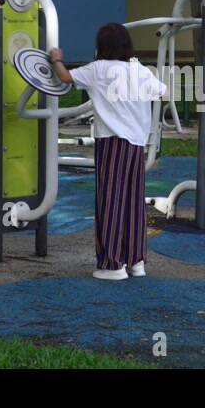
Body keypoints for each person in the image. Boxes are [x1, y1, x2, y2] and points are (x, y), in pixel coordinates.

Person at [49, 23, 167, 280]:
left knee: (110, 201)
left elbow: (66, 77)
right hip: (137, 143)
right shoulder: (140, 71)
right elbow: (162, 91)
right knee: (134, 202)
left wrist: (56, 59)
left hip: (112, 142)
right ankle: (136, 261)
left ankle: (112, 264)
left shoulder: (99, 69)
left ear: (101, 47)